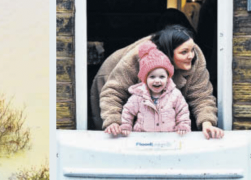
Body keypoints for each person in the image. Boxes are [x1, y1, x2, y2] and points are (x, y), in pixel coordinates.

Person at [90, 24, 223, 139]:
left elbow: (202, 96)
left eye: (192, 50)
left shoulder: (195, 59)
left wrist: (207, 123)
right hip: (110, 82)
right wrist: (113, 121)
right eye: (184, 52)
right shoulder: (137, 58)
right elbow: (113, 93)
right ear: (169, 53)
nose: (191, 56)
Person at [116, 41, 191, 136]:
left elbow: (182, 111)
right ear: (145, 79)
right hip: (142, 137)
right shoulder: (139, 95)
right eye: (152, 77)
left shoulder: (175, 94)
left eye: (161, 77)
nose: (157, 80)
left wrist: (183, 125)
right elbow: (128, 111)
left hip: (168, 137)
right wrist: (126, 125)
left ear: (168, 78)